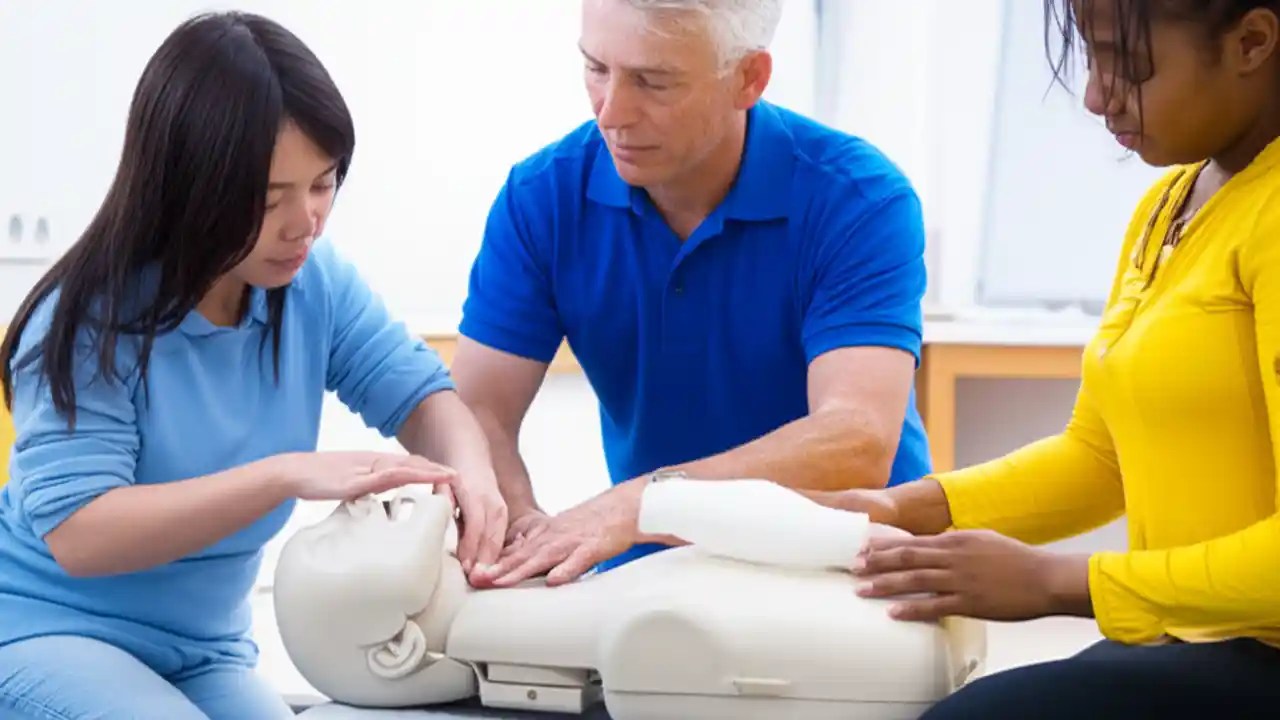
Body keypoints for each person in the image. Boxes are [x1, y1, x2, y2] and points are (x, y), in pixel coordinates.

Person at [0, 12, 507, 720]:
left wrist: (474, 479)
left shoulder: (311, 284)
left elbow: (423, 398)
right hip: (41, 631)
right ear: (186, 188)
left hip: (204, 651)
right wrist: (285, 474)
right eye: (269, 200)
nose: (305, 222)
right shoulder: (87, 318)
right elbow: (82, 536)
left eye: (323, 185)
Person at [807, 0, 1280, 717]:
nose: (1096, 94)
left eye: (1129, 64)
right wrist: (904, 510)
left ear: (1252, 42)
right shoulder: (1170, 204)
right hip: (1190, 641)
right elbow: (1102, 456)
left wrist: (1058, 582)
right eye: (1091, 59)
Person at [453, 0, 932, 590]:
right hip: (654, 577)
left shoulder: (859, 199)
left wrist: (642, 504)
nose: (612, 113)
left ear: (748, 79)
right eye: (596, 68)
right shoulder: (541, 196)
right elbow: (475, 416)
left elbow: (856, 440)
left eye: (653, 82)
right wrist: (521, 527)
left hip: (853, 571)